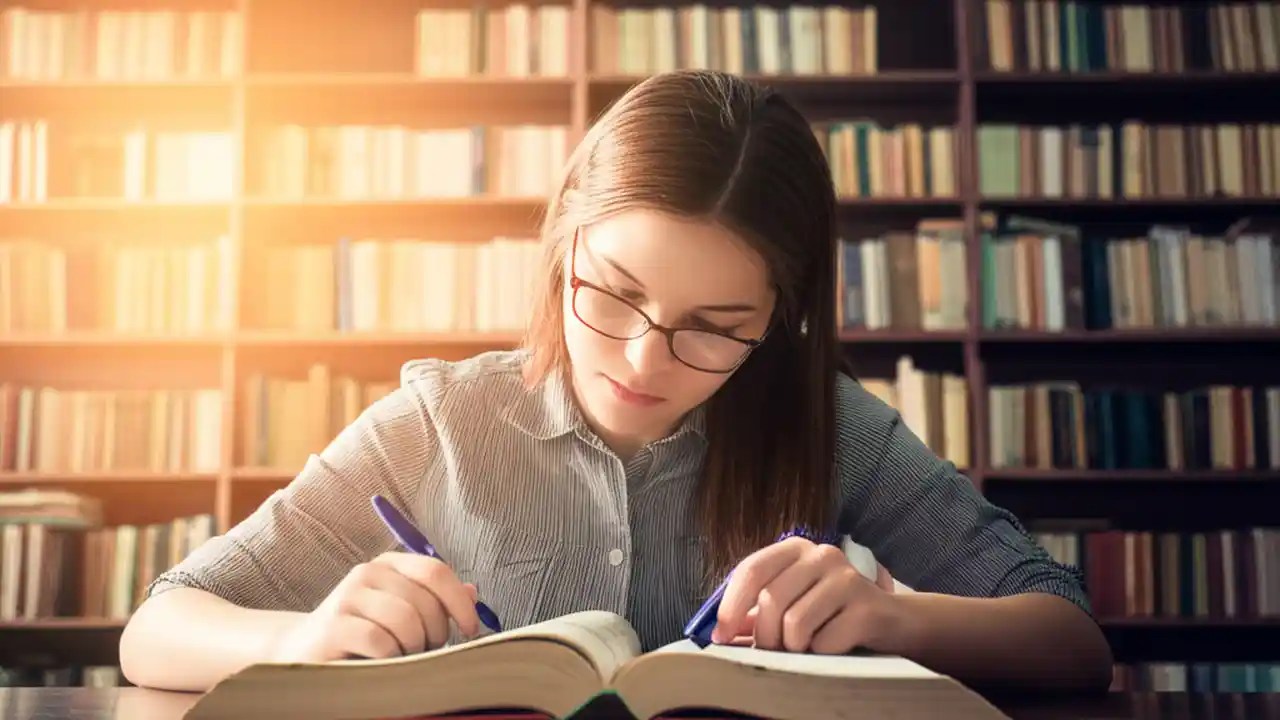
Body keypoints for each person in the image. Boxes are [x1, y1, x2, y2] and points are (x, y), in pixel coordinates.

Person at [119, 70, 1113, 693]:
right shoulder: (440, 421)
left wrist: (895, 616)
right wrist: (304, 641)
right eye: (611, 295)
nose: (641, 361)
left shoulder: (828, 426)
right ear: (562, 250)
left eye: (715, 330)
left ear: (781, 321)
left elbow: (1068, 637)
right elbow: (159, 627)